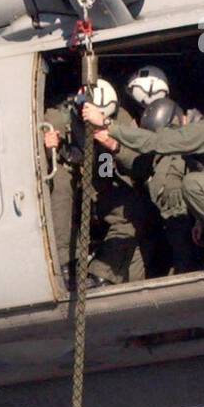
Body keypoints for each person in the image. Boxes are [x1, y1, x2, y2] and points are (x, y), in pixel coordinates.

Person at [96, 96, 204, 269]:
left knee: (192, 184)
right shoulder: (196, 140)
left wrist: (107, 124)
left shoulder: (203, 130)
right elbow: (143, 166)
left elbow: (156, 142)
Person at [44, 80, 153, 286]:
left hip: (103, 179)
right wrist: (48, 149)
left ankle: (100, 272)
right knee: (60, 185)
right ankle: (67, 264)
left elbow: (141, 162)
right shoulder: (58, 119)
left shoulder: (121, 119)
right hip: (75, 187)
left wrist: (113, 143)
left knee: (131, 213)